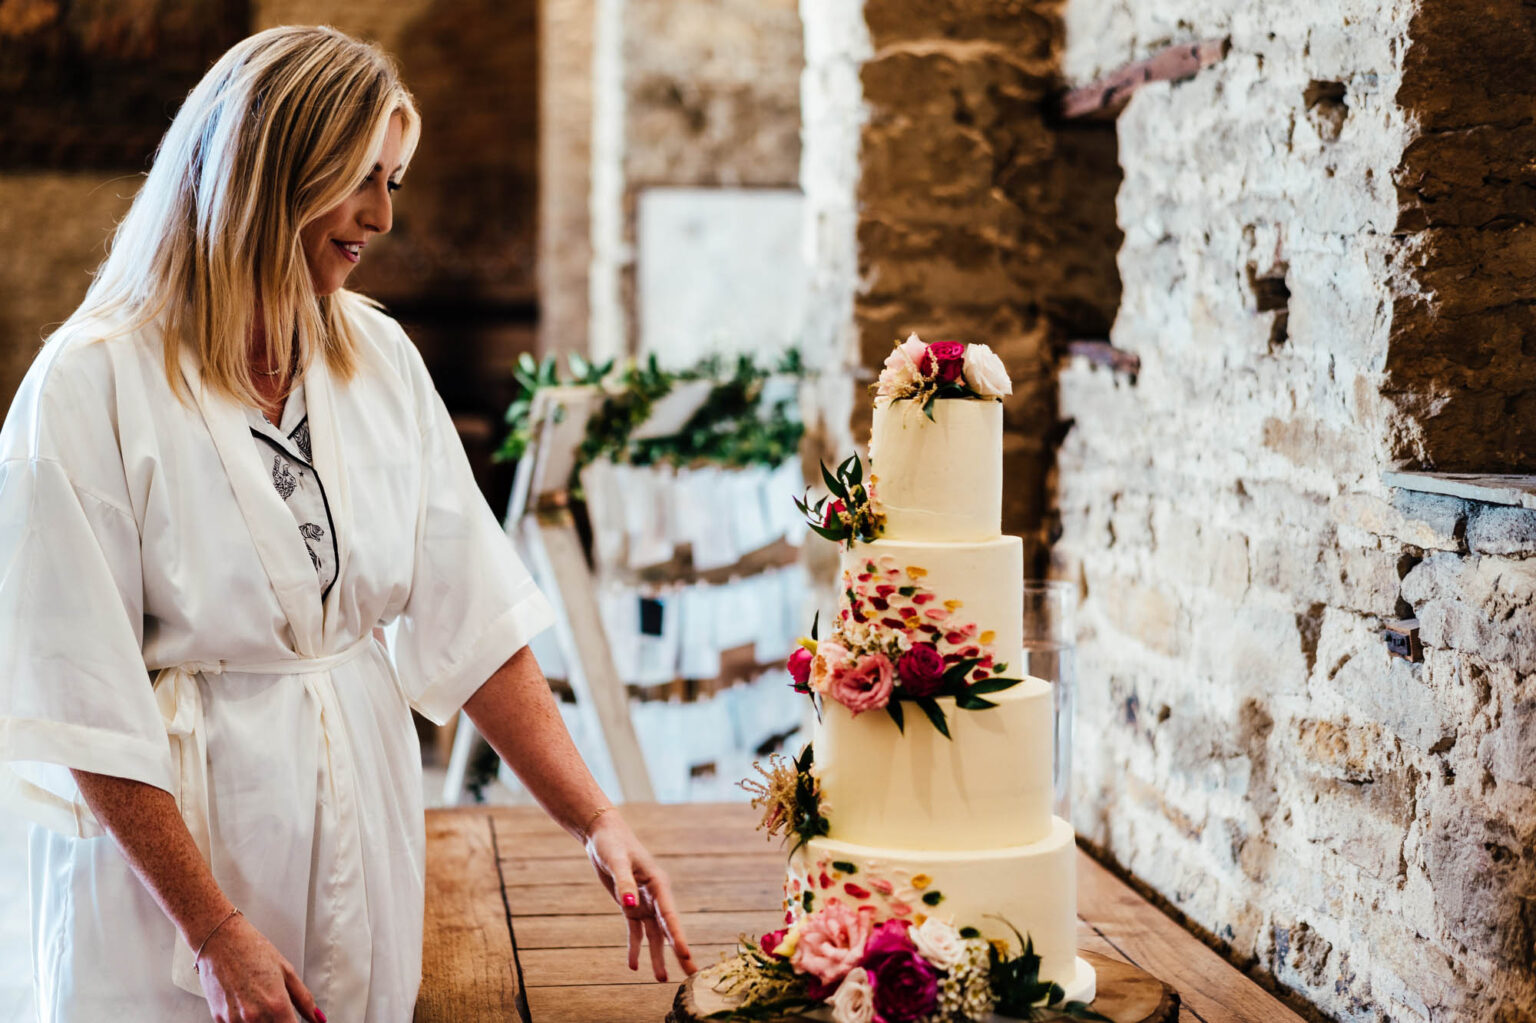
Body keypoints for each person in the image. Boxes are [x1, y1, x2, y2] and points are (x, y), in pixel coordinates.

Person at [0, 25, 694, 1023]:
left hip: (361, 816)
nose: (381, 214)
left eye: (394, 181)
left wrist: (596, 822)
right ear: (267, 167)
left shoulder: (376, 357)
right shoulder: (90, 382)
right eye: (359, 177)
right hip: (176, 879)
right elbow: (83, 702)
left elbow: (474, 622)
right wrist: (214, 931)